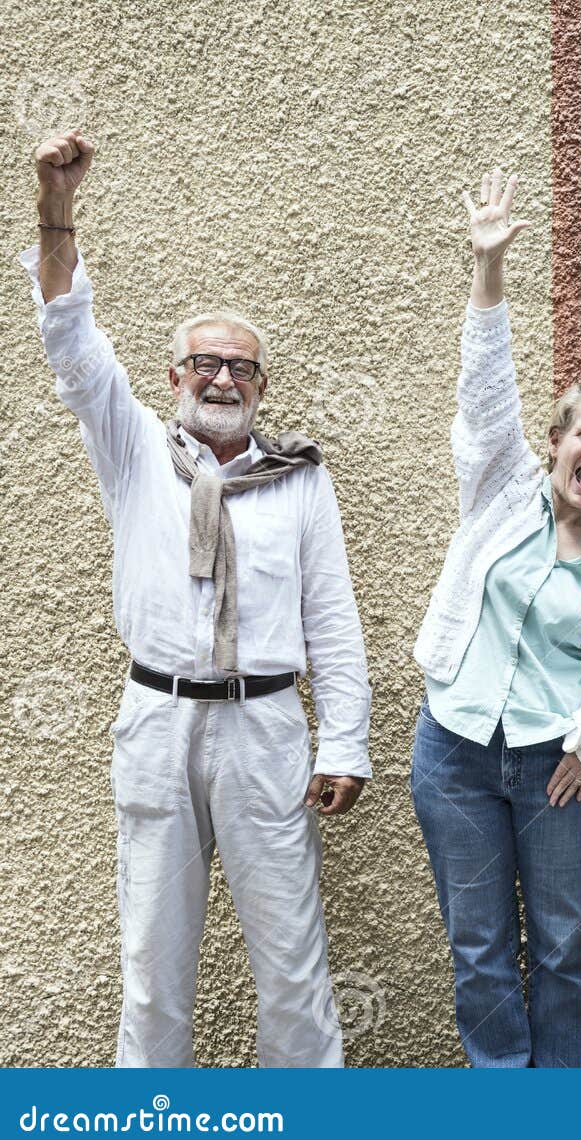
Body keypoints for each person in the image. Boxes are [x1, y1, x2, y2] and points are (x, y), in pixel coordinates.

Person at [21, 132, 371, 1067]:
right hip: (157, 721)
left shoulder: (300, 480)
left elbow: (332, 618)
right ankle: (150, 1122)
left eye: (241, 367)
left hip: (266, 730)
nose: (223, 378)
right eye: (205, 363)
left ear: (261, 387)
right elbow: (70, 337)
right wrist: (57, 206)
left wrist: (345, 739)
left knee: (293, 965)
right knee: (153, 964)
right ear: (174, 376)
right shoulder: (132, 444)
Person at [409, 169, 581, 1068]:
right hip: (456, 750)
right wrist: (489, 267)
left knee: (565, 950)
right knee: (479, 951)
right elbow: (484, 395)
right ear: (553, 444)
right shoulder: (497, 498)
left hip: (560, 767)